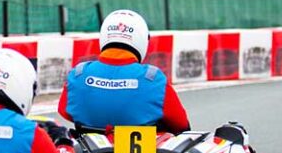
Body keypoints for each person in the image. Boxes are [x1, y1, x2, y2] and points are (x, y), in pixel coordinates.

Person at [58, 9, 190, 134]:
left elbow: (64, 111)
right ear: (142, 39)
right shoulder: (153, 79)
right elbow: (181, 125)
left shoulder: (79, 74)